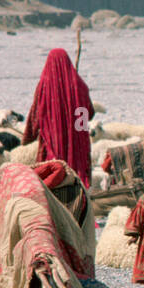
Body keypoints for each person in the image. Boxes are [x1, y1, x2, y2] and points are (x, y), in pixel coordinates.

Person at [22, 49, 94, 187]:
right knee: (77, 169)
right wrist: (78, 131)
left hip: (52, 141)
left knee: (51, 172)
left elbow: (35, 117)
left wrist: (27, 138)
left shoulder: (44, 86)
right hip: (77, 143)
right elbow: (88, 113)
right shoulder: (80, 86)